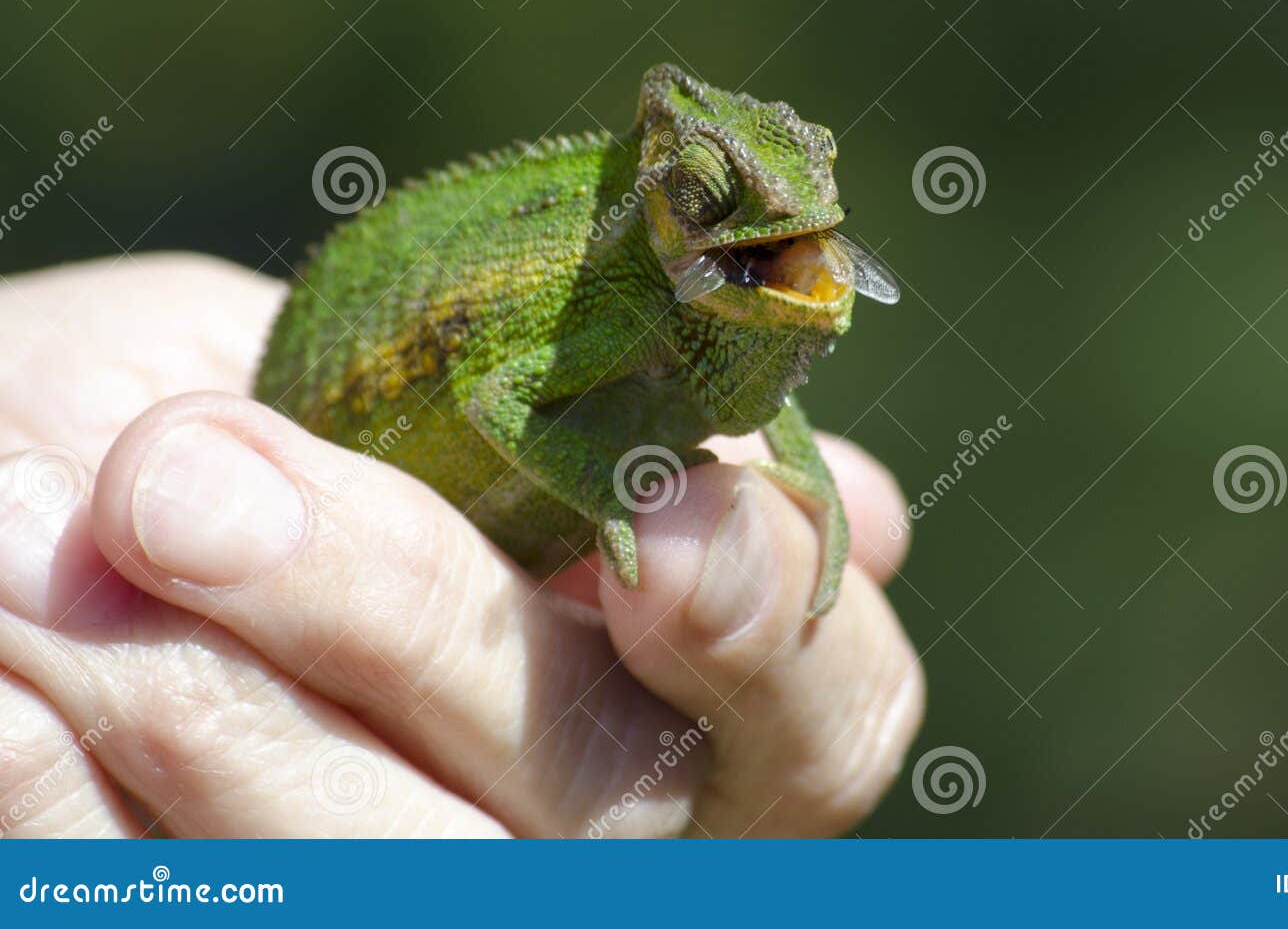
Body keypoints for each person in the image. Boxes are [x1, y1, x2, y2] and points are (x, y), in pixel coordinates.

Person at [0, 254, 924, 838]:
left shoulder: (722, 298)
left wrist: (801, 475)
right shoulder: (639, 285)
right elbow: (499, 397)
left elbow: (754, 371)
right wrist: (604, 487)